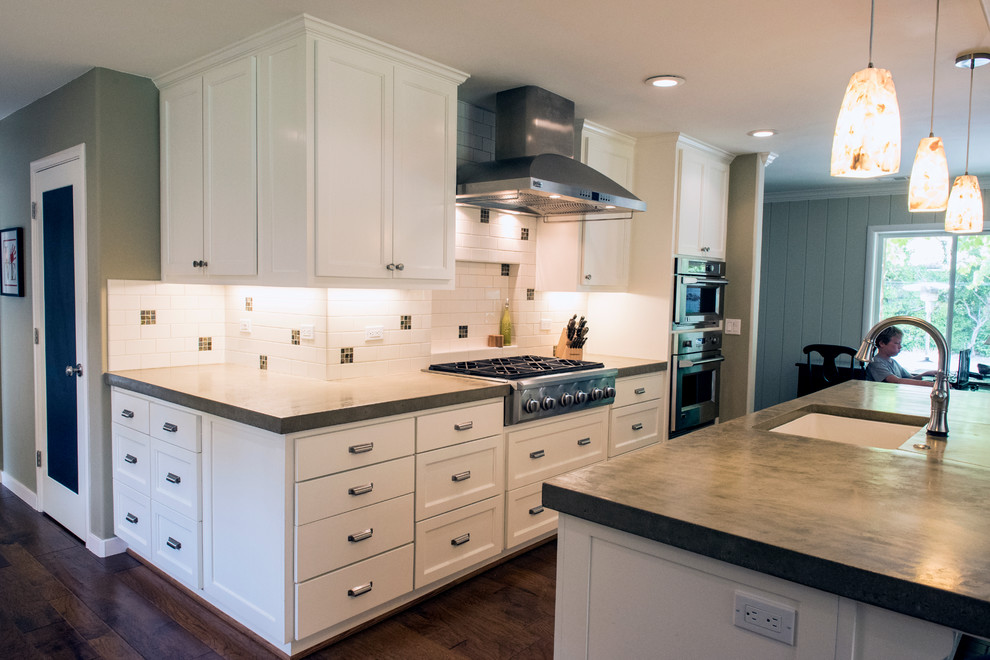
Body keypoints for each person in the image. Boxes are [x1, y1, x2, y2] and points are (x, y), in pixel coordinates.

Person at [866, 326, 936, 387]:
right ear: (882, 343)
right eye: (897, 343)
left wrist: (927, 373)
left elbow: (911, 378)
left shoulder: (893, 362)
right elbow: (895, 381)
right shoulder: (876, 362)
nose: (900, 346)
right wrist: (930, 384)